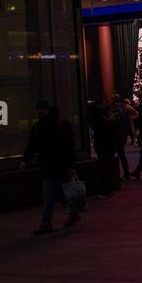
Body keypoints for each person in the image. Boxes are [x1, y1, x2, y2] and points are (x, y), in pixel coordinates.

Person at [22, 99, 80, 234]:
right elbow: (70, 147)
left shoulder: (38, 126)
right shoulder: (61, 124)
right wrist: (72, 165)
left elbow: (32, 146)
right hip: (60, 166)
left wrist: (26, 160)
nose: (39, 112)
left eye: (40, 109)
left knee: (49, 196)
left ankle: (46, 223)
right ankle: (71, 214)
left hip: (49, 167)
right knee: (61, 192)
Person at [89, 100, 119, 196]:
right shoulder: (102, 120)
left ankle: (105, 189)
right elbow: (109, 128)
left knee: (104, 167)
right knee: (105, 168)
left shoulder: (95, 119)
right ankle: (104, 189)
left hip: (101, 144)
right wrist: (112, 119)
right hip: (105, 144)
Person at [109, 95, 133, 179]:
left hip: (117, 134)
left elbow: (115, 120)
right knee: (122, 154)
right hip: (122, 133)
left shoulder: (116, 108)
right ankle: (126, 173)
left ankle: (115, 174)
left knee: (113, 154)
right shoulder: (124, 108)